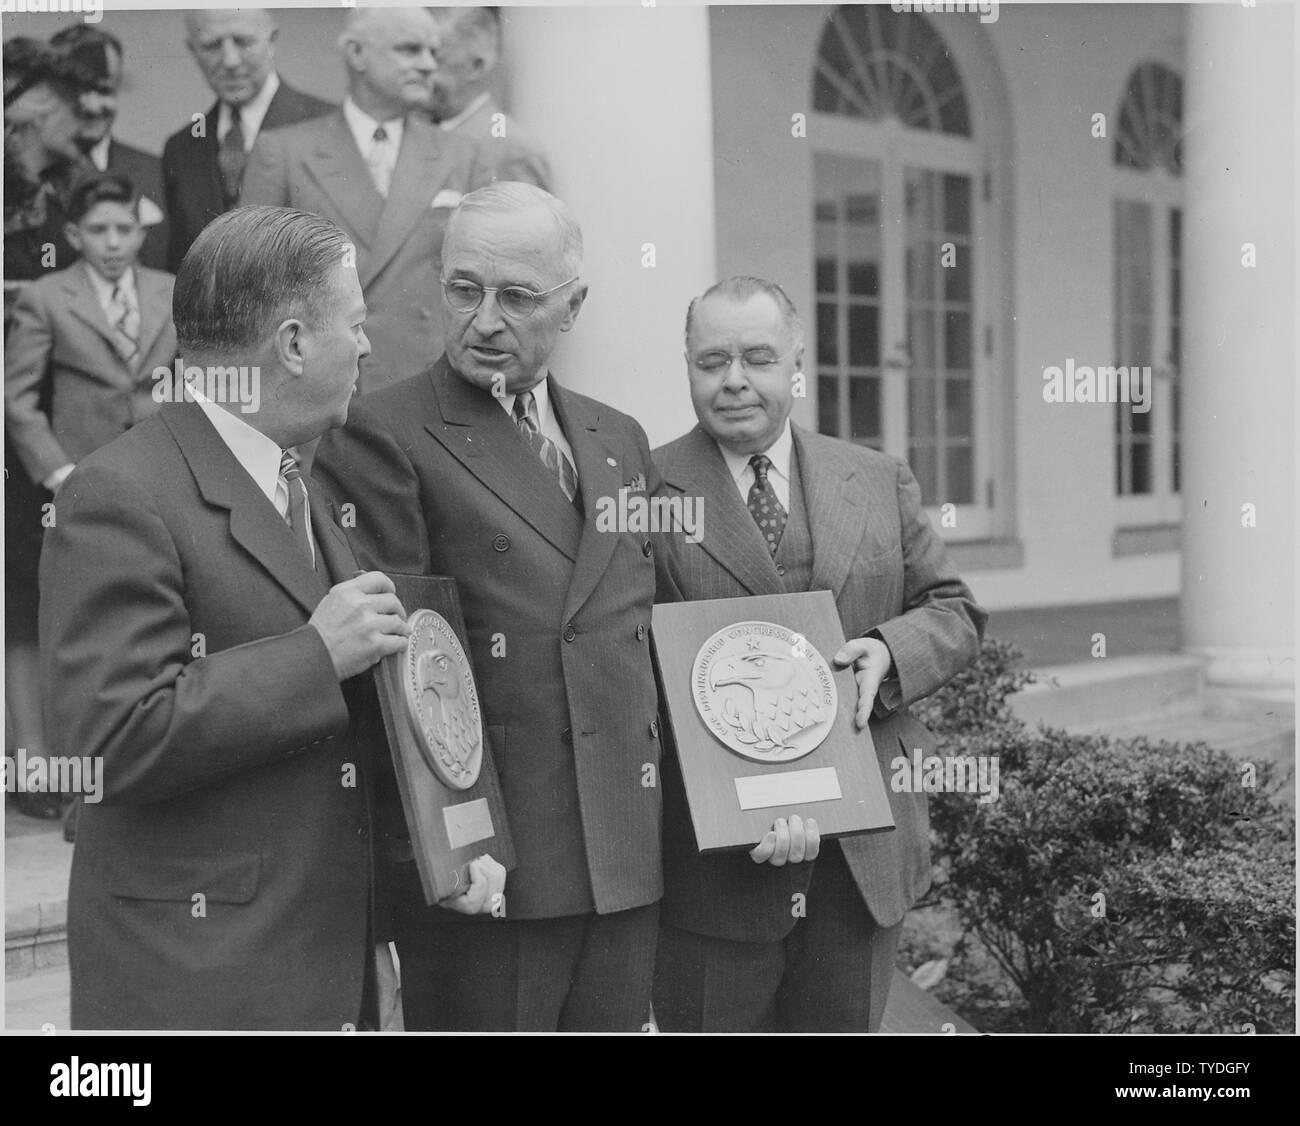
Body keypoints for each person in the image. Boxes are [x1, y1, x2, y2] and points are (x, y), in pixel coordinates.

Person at [39, 205, 423, 1030]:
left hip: (324, 968)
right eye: (353, 326)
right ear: (290, 344)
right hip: (198, 979)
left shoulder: (302, 484)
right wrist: (315, 656)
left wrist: (378, 940)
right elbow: (107, 744)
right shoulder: (120, 493)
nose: (366, 348)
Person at [314, 182, 664, 1032]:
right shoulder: (384, 433)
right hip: (492, 870)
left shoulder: (620, 439)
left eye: (517, 296)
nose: (484, 320)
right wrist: (451, 851)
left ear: (573, 305)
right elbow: (406, 671)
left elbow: (635, 633)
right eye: (464, 289)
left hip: (624, 855)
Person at [650, 276, 986, 1032]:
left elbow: (955, 610)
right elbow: (624, 652)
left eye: (758, 358)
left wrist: (887, 654)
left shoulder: (874, 476)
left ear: (797, 364)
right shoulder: (646, 488)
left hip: (858, 858)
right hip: (717, 867)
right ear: (688, 366)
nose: (734, 380)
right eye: (712, 361)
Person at [241, 7, 501, 395]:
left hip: (430, 389)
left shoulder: (465, 155)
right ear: (357, 54)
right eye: (410, 50)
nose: (429, 65)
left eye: (434, 52)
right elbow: (252, 287)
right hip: (324, 389)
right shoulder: (283, 152)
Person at [5, 172, 176, 497]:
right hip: (82, 471)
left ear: (140, 234)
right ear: (73, 234)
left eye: (124, 229)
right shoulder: (46, 297)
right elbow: (15, 397)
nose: (113, 243)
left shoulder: (169, 291)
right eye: (98, 230)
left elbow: (196, 379)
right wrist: (58, 472)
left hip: (163, 469)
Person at [161, 9, 333, 272]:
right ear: (192, 50)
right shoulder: (181, 149)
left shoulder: (328, 125)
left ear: (272, 40)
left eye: (243, 42)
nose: (230, 61)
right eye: (211, 45)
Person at [49, 23, 169, 270]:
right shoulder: (31, 173)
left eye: (104, 90)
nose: (93, 105)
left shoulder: (157, 171)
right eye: (79, 90)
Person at [426, 6, 552, 190]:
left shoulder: (509, 149)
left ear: (476, 66)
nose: (421, 70)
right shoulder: (426, 132)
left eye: (436, 60)